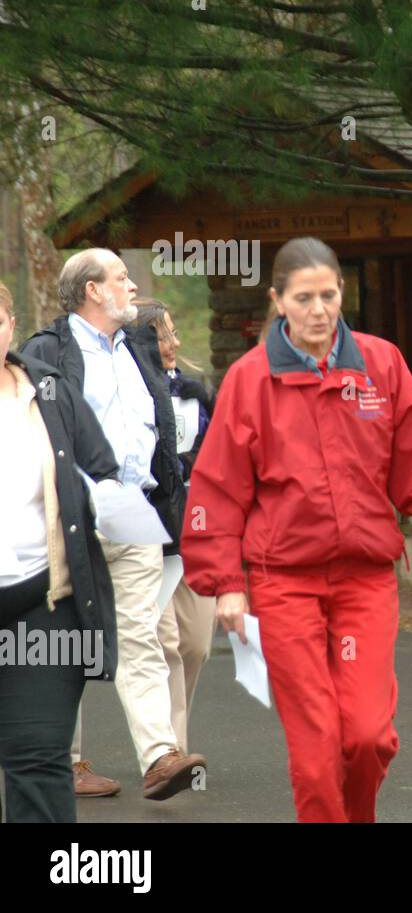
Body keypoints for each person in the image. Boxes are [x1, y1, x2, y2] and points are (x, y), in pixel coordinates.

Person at [181, 236, 412, 823]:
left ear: (342, 294)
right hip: (284, 583)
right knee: (314, 756)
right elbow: (217, 489)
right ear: (279, 301)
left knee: (367, 736)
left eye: (329, 295)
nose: (319, 310)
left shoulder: (380, 363)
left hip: (364, 580)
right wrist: (226, 581)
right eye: (305, 298)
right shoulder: (250, 379)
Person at [21, 249, 207, 800]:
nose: (131, 286)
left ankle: (159, 757)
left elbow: (160, 432)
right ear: (93, 290)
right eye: (121, 278)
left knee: (141, 634)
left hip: (135, 512)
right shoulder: (46, 351)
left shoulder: (138, 350)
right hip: (71, 515)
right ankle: (69, 762)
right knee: (65, 639)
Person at [0, 280, 119, 822]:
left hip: (42, 603)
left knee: (40, 755)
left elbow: (101, 467)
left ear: (10, 324)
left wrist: (108, 501)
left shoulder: (47, 388)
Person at [132, 299, 217, 756]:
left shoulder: (194, 392)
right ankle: (168, 752)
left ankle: (167, 741)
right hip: (150, 539)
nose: (174, 344)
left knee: (197, 644)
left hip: (198, 539)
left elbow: (218, 456)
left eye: (173, 333)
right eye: (162, 335)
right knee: (163, 646)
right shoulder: (128, 395)